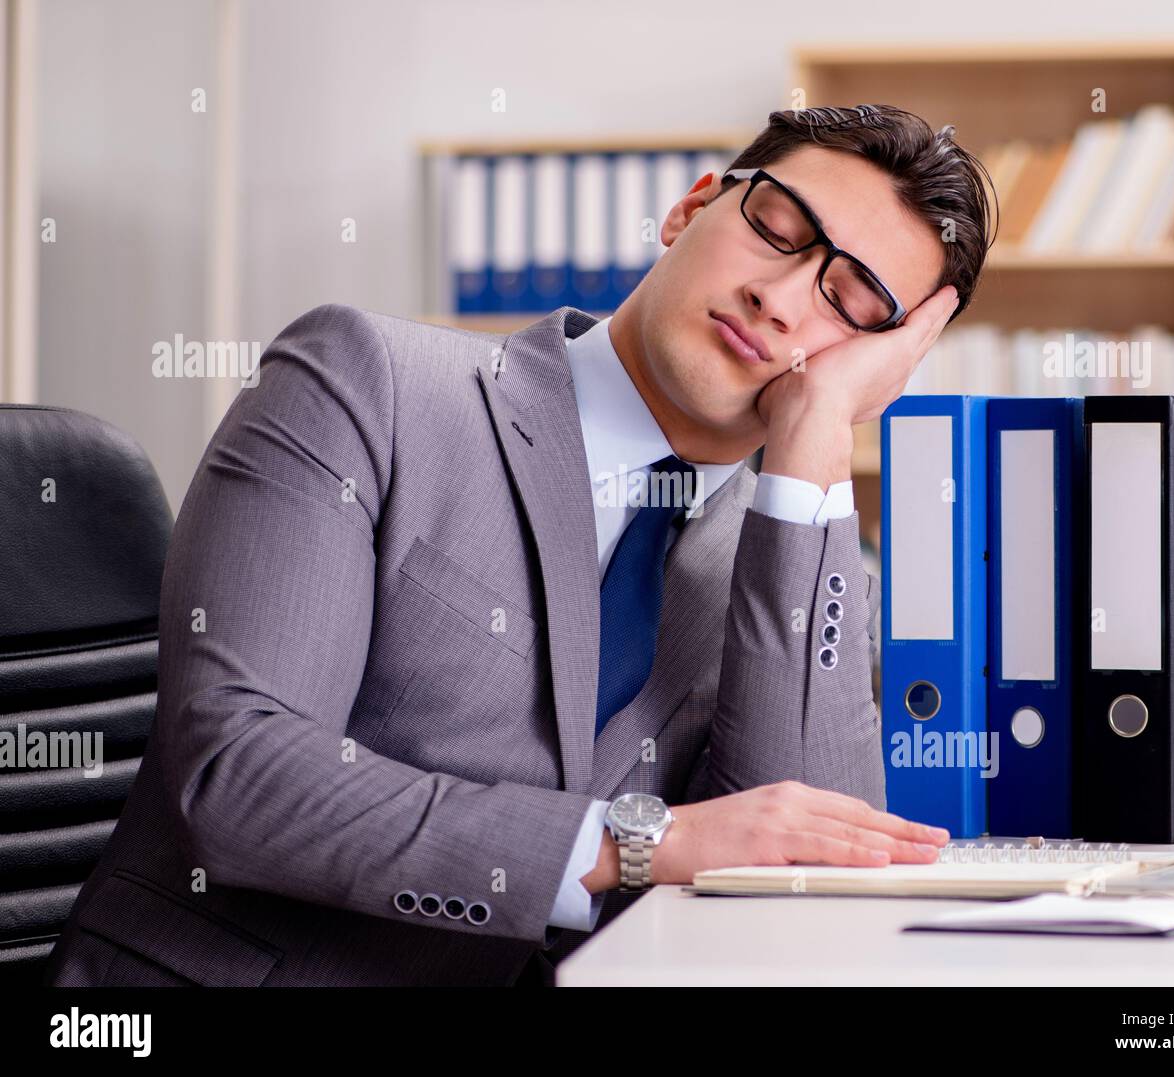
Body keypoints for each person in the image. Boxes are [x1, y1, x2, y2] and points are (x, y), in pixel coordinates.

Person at [44, 103, 994, 987]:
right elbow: (240, 778)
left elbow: (798, 897)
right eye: (778, 226)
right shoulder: (367, 384)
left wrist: (816, 439)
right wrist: (634, 843)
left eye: (855, 303)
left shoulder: (797, 558)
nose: (780, 300)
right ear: (690, 208)